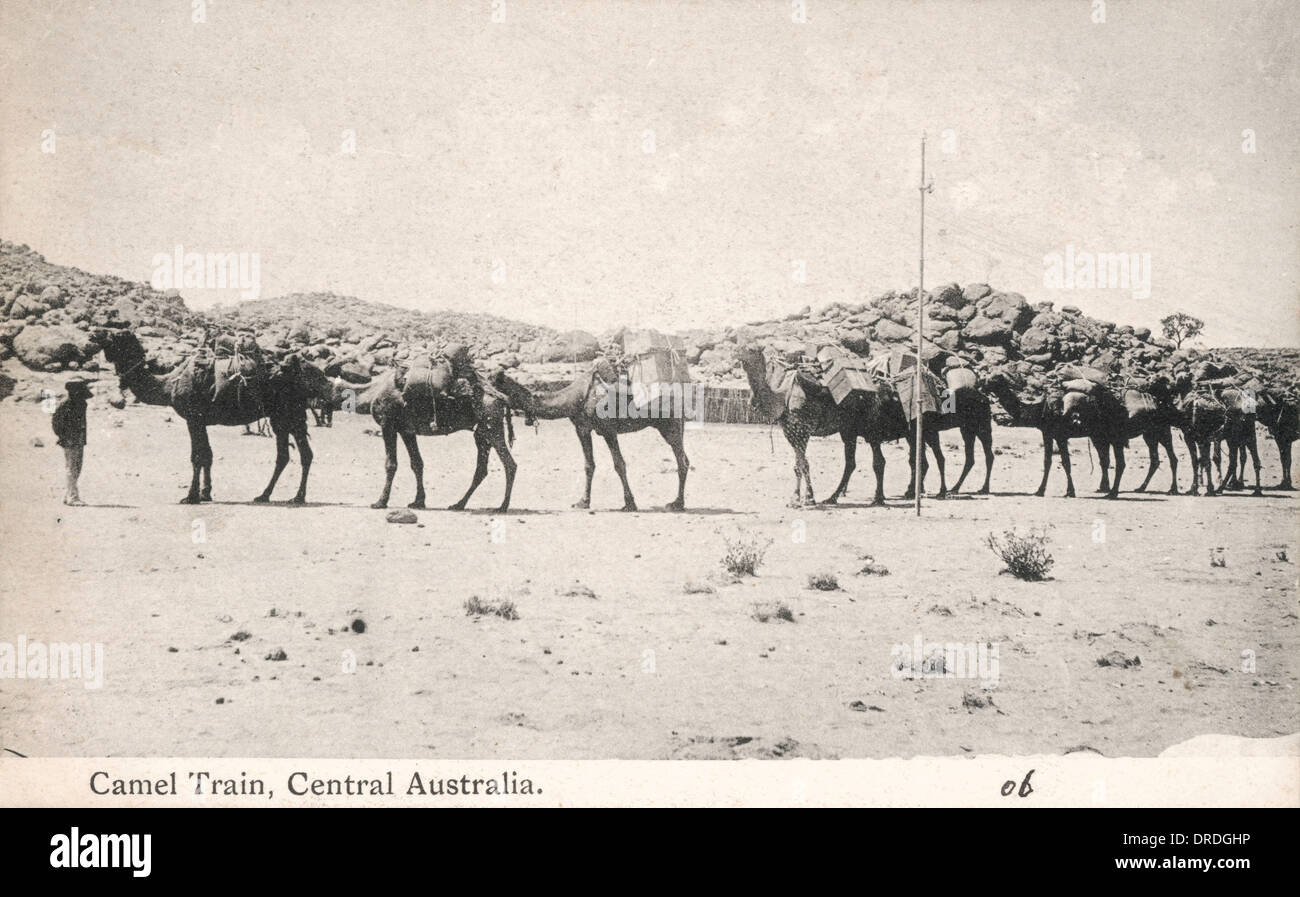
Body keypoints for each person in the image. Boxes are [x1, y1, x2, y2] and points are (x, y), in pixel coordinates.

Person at [52, 376, 92, 506]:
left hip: (79, 439)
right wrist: (63, 437)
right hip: (70, 440)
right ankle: (72, 497)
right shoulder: (66, 403)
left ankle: (68, 494)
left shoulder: (81, 403)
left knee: (77, 468)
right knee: (72, 468)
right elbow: (56, 422)